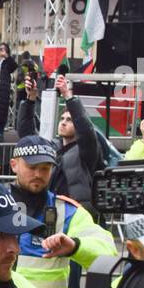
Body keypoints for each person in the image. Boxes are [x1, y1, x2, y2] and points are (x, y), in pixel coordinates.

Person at [8, 135, 115, 288]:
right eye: (32, 167)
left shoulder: (68, 210)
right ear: (14, 165)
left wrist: (75, 247)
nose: (38, 174)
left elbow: (107, 253)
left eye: (45, 168)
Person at [50, 75, 103, 212]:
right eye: (62, 118)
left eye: (69, 120)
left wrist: (68, 96)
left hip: (76, 213)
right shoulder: (52, 147)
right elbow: (28, 133)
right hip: (51, 210)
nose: (63, 122)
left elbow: (86, 131)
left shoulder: (87, 150)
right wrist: (30, 100)